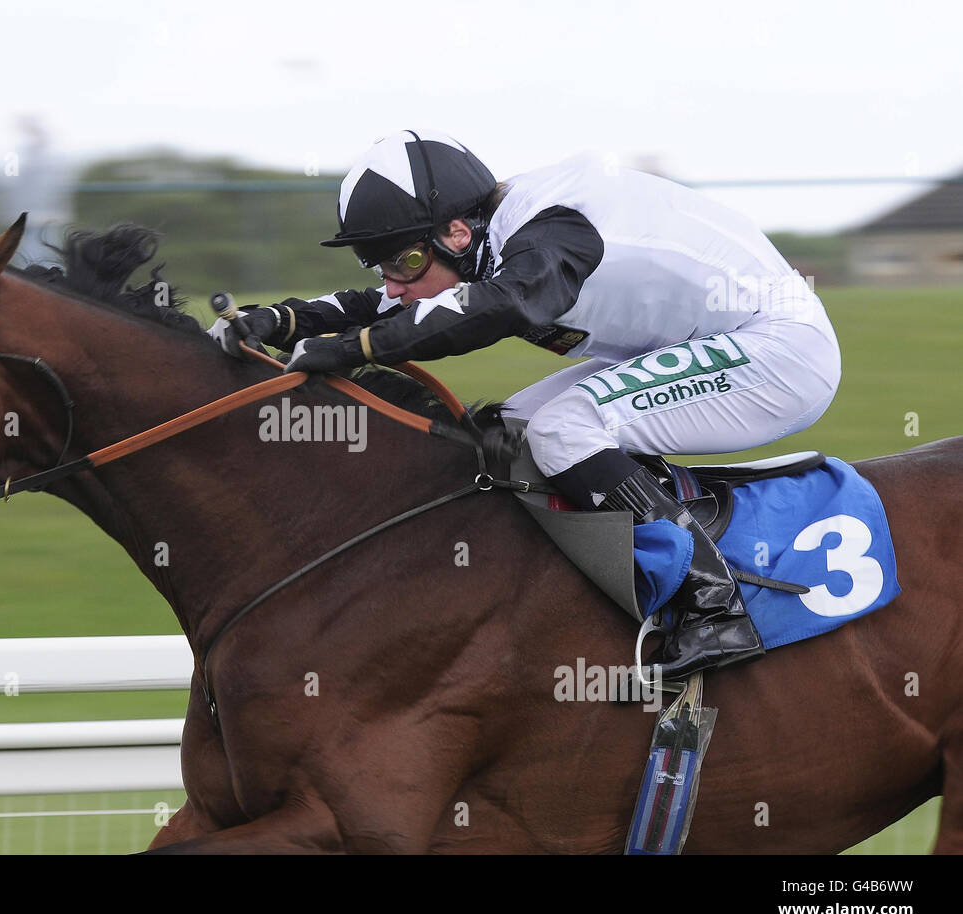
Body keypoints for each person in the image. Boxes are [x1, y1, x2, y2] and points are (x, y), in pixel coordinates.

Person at [207, 130, 841, 681]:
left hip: (778, 352)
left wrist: (354, 349)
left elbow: (495, 307)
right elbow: (411, 303)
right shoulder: (483, 240)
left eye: (403, 260)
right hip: (714, 338)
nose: (393, 283)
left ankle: (713, 602)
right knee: (512, 433)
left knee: (567, 428)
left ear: (458, 232)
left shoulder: (552, 229)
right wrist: (282, 319)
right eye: (381, 266)